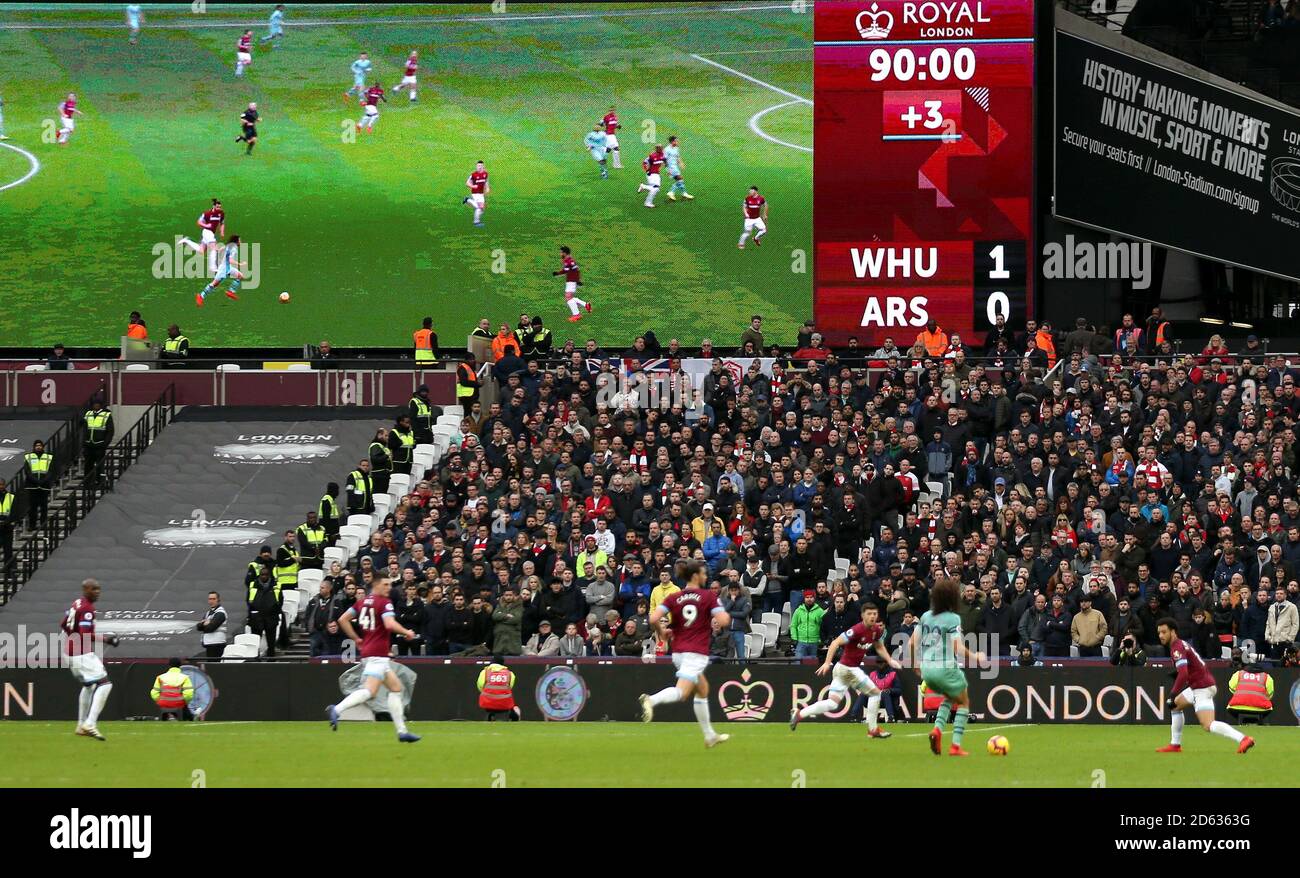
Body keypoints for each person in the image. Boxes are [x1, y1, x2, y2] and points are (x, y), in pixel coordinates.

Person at [638, 560, 733, 748]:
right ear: (696, 576)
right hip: (695, 653)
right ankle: (651, 700)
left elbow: (654, 618)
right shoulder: (707, 596)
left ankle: (709, 736)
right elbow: (723, 620)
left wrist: (663, 632)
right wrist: (720, 607)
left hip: (678, 652)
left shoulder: (675, 597)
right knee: (682, 693)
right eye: (704, 574)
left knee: (702, 689)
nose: (706, 577)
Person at [327, 575, 421, 742]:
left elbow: (343, 619)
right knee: (370, 691)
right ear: (376, 585)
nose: (389, 587)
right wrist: (407, 632)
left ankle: (402, 732)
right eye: (385, 584)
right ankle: (337, 709)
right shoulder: (384, 602)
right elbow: (390, 624)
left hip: (373, 653)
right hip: (377, 654)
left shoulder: (362, 602)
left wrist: (356, 638)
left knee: (396, 688)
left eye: (390, 585)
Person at [790, 602, 901, 738]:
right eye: (869, 614)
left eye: (875, 614)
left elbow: (879, 646)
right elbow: (835, 642)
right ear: (863, 615)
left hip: (843, 670)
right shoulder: (857, 630)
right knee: (875, 694)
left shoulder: (875, 631)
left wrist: (889, 660)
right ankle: (872, 729)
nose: (872, 616)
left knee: (832, 703)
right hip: (848, 669)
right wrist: (826, 662)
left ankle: (799, 714)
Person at [911, 577, 986, 756]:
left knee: (949, 697)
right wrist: (976, 656)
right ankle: (955, 746)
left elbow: (912, 643)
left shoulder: (926, 616)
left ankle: (937, 730)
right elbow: (957, 647)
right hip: (945, 666)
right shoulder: (953, 619)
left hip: (927, 670)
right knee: (963, 702)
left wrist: (915, 663)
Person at [1155, 618, 1253, 754]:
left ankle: (1243, 738)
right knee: (1176, 706)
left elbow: (1183, 673)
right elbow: (1189, 666)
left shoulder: (1177, 647)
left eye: (1164, 632)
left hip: (1202, 688)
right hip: (1198, 685)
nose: (1161, 635)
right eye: (1159, 632)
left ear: (1173, 632)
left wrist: (1172, 694)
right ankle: (1175, 745)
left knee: (1208, 724)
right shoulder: (1180, 644)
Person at [62, 578, 119, 741]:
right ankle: (90, 723)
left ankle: (81, 725)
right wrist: (107, 639)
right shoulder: (87, 608)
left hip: (70, 653)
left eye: (98, 589)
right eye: (93, 589)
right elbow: (84, 634)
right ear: (85, 589)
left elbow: (64, 623)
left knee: (88, 686)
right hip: (81, 654)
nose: (97, 592)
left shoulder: (76, 603)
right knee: (105, 684)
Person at [305, 580, 342, 657]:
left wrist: (335, 628)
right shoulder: (313, 601)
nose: (320, 589)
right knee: (314, 654)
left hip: (330, 634)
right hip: (315, 632)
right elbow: (308, 616)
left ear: (329, 589)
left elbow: (340, 617)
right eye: (320, 587)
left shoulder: (337, 602)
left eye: (322, 588)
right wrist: (309, 628)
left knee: (328, 655)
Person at [553, 246, 591, 323]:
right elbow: (569, 270)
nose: (560, 254)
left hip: (572, 281)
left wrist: (577, 280)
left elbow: (575, 270)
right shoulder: (568, 260)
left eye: (561, 252)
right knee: (570, 297)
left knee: (568, 297)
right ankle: (586, 305)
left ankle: (576, 314)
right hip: (570, 281)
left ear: (564, 253)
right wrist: (558, 273)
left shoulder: (569, 261)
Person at [82, 397, 113, 487]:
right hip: (89, 444)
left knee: (100, 464)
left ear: (100, 405)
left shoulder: (106, 415)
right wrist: (84, 442)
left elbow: (110, 431)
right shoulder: (88, 413)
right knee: (88, 465)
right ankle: (87, 482)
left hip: (100, 444)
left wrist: (105, 443)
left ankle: (99, 482)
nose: (96, 405)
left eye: (97, 404)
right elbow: (84, 428)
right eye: (94, 404)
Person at [23, 440, 53, 530]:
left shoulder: (49, 457)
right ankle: (32, 526)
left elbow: (50, 471)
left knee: (44, 507)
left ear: (43, 447)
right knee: (33, 508)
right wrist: (36, 481)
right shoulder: (29, 457)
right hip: (32, 486)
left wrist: (43, 481)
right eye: (36, 445)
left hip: (44, 486)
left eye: (40, 445)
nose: (38, 447)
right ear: (34, 447)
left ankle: (43, 525)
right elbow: (27, 471)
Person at [790, 590, 824, 660]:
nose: (809, 599)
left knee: (813, 665)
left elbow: (823, 626)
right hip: (801, 642)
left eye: (811, 597)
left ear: (814, 598)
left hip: (815, 642)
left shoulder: (820, 611)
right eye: (807, 597)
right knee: (798, 663)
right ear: (804, 599)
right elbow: (793, 625)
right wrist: (794, 638)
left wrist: (821, 639)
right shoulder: (798, 611)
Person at [195, 591, 228, 659]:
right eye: (210, 599)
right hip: (210, 644)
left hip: (217, 644)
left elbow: (210, 628)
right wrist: (204, 624)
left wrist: (203, 624)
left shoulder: (220, 613)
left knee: (215, 666)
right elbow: (198, 627)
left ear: (218, 600)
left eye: (213, 599)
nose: (211, 601)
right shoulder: (208, 613)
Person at [663, 134, 693, 201]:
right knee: (680, 179)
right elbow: (664, 160)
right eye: (676, 141)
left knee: (680, 180)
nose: (677, 142)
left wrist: (681, 163)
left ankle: (684, 193)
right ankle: (671, 192)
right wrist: (667, 170)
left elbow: (678, 157)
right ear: (672, 142)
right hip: (671, 167)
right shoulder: (667, 149)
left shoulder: (676, 148)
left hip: (675, 167)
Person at [462, 159, 489, 227]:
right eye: (478, 166)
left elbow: (486, 181)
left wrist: (487, 187)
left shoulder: (485, 174)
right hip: (475, 193)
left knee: (482, 210)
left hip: (481, 193)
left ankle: (467, 200)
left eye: (481, 166)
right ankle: (476, 222)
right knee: (479, 207)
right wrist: (473, 186)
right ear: (476, 166)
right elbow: (467, 183)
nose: (479, 167)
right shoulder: (473, 175)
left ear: (483, 166)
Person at [318, 482, 341, 546]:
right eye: (337, 490)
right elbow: (326, 519)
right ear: (332, 490)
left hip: (333, 533)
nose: (338, 493)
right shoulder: (326, 500)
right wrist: (329, 534)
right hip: (329, 534)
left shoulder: (330, 500)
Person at [0, 477, 14, 562]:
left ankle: (8, 571)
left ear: (5, 485)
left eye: (1, 484)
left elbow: (15, 512)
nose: (0, 486)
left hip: (7, 528)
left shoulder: (11, 497)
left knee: (8, 551)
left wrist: (6, 522)